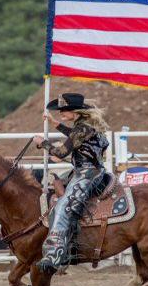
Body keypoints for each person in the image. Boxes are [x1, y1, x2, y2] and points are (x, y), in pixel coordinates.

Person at [31, 93, 110, 274]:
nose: (60, 113)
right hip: (89, 171)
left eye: (63, 110)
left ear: (75, 111)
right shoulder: (85, 127)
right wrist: (55, 124)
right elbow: (73, 136)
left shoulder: (82, 129)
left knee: (63, 206)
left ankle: (54, 255)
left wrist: (42, 143)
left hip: (87, 174)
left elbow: (60, 152)